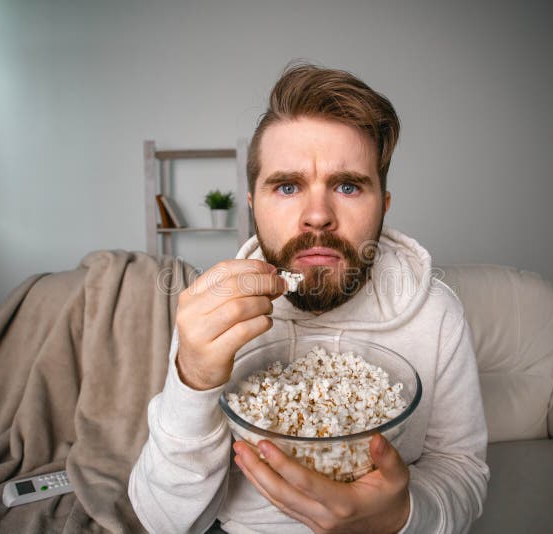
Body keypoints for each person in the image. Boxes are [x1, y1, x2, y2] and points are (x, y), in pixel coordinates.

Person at [129, 63, 489, 534]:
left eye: (347, 186)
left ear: (383, 203)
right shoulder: (215, 314)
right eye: (287, 186)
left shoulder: (438, 314)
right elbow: (161, 521)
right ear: (253, 202)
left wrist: (402, 516)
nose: (317, 216)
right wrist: (191, 378)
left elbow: (462, 469)